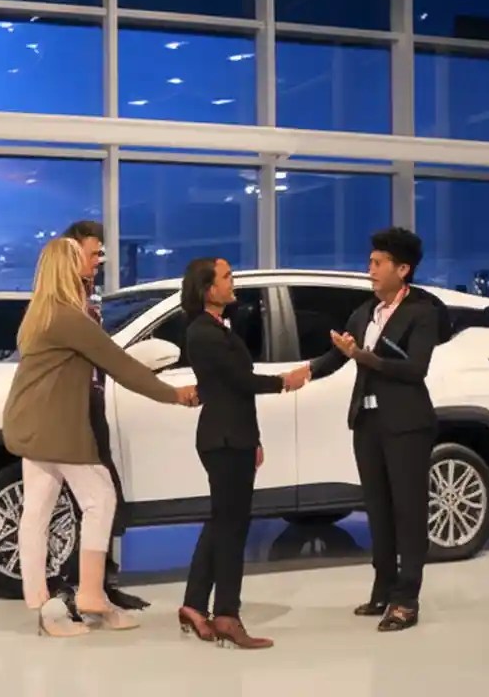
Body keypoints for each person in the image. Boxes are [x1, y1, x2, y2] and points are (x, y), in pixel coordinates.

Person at [2, 237, 198, 637]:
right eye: (83, 259)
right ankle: (91, 593)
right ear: (67, 268)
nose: (95, 263)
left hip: (29, 423)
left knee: (36, 511)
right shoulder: (69, 318)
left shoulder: (39, 313)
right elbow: (119, 363)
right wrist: (173, 394)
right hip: (56, 426)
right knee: (101, 497)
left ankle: (42, 606)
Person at [283, 227, 441, 632]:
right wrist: (307, 372)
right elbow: (341, 353)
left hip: (406, 424)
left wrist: (364, 357)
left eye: (377, 263)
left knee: (408, 513)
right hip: (367, 422)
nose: (369, 270)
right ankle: (383, 589)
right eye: (370, 262)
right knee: (379, 510)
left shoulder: (423, 311)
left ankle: (407, 600)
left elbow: (414, 369)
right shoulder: (365, 310)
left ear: (402, 269)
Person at [178, 257, 292, 650]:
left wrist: (254, 438)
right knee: (232, 529)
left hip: (235, 437)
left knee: (222, 522)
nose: (233, 282)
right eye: (227, 277)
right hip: (224, 440)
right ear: (209, 290)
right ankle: (226, 614)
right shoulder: (203, 332)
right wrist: (283, 382)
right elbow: (241, 382)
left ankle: (195, 606)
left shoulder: (217, 328)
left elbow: (232, 392)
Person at [55, 219, 152, 616]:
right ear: (70, 253)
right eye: (92, 254)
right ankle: (74, 587)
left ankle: (100, 584)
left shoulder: (87, 298)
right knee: (91, 499)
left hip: (93, 404)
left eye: (100, 254)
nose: (98, 261)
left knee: (105, 498)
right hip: (71, 409)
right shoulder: (61, 303)